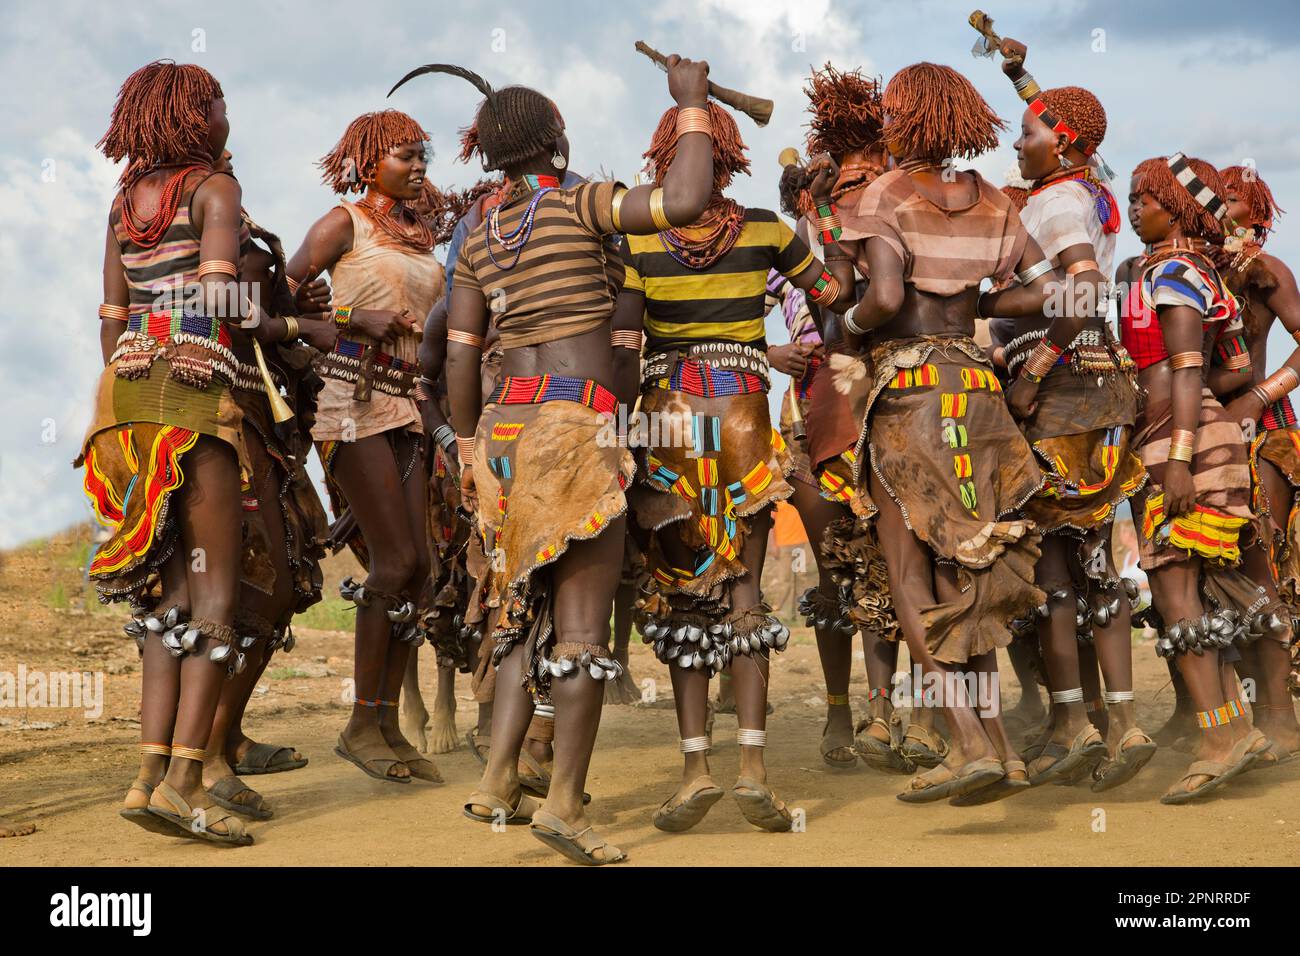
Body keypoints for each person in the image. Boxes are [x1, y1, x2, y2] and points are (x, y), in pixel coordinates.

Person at [394, 55, 715, 864]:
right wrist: (693, 106)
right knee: (581, 629)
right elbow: (684, 201)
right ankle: (564, 803)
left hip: (504, 434)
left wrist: (468, 447)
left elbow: (461, 357)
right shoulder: (580, 205)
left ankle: (499, 777)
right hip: (576, 428)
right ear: (558, 139)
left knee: (519, 616)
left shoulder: (481, 237)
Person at [82, 61, 316, 845]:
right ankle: (186, 782)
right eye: (218, 104)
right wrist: (288, 325)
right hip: (194, 395)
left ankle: (148, 776)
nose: (226, 116)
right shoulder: (215, 190)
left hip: (121, 404)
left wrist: (145, 355)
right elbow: (218, 296)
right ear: (192, 116)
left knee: (164, 601)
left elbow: (113, 321)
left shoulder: (123, 203)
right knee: (216, 603)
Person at [617, 95, 857, 832]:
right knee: (745, 589)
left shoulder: (639, 238)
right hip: (747, 414)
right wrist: (831, 232)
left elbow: (625, 344)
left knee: (685, 594)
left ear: (669, 162)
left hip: (670, 420)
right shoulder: (763, 227)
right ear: (731, 160)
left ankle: (696, 770)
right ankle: (755, 766)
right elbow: (834, 295)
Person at [829, 62, 1058, 805]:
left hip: (911, 397)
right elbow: (1053, 289)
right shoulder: (993, 200)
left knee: (909, 576)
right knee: (972, 573)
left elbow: (886, 294)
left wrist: (848, 327)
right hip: (980, 396)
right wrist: (984, 294)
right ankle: (1002, 753)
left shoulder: (884, 195)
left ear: (904, 118)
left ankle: (963, 740)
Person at [980, 38, 1151, 790]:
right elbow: (1074, 126)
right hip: (1108, 384)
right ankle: (1124, 723)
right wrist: (1021, 75)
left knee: (1052, 571)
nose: (1017, 145)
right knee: (1097, 566)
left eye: (1028, 134)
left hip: (1062, 390)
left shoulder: (1052, 200)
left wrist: (1031, 372)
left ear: (1064, 145)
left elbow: (1081, 288)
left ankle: (1073, 724)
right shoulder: (1096, 185)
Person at [287, 109, 445, 785]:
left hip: (409, 404)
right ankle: (361, 722)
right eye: (406, 156)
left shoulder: (421, 233)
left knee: (424, 572)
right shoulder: (340, 224)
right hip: (350, 400)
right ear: (368, 160)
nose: (418, 167)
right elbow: (277, 303)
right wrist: (353, 319)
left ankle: (385, 724)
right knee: (395, 559)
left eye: (423, 156)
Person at [1118, 154, 1274, 802]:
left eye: (1142, 199)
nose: (1132, 210)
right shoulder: (1205, 272)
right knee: (1187, 597)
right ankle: (1234, 726)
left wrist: (1179, 452)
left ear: (1174, 206)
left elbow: (1187, 369)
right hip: (1191, 439)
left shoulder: (1171, 272)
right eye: (1128, 199)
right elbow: (1233, 367)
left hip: (1176, 449)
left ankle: (1221, 739)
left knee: (1177, 597)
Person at [1213, 164, 1300, 759]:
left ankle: (1280, 715)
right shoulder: (1199, 267)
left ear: (1259, 213)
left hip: (1260, 432)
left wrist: (1259, 394)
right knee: (1210, 573)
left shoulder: (1264, 271)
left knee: (1260, 560)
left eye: (1235, 195)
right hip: (1200, 429)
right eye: (1215, 191)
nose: (1222, 200)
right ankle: (1231, 713)